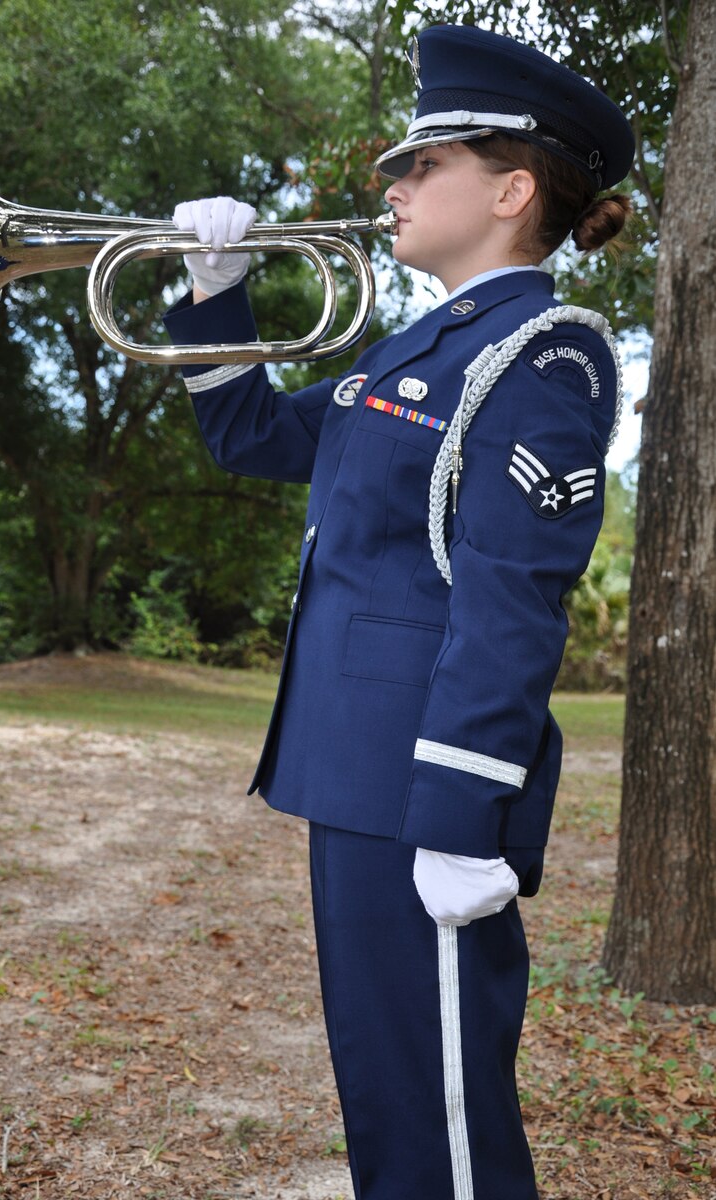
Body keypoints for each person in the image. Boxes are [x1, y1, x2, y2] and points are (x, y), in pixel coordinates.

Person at [163, 23, 634, 1200]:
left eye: (423, 163)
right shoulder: (418, 347)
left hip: (421, 788)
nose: (392, 181)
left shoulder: (542, 358)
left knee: (442, 1125)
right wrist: (215, 298)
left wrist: (461, 812)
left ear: (510, 190)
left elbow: (510, 602)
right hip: (359, 773)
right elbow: (255, 437)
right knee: (389, 1094)